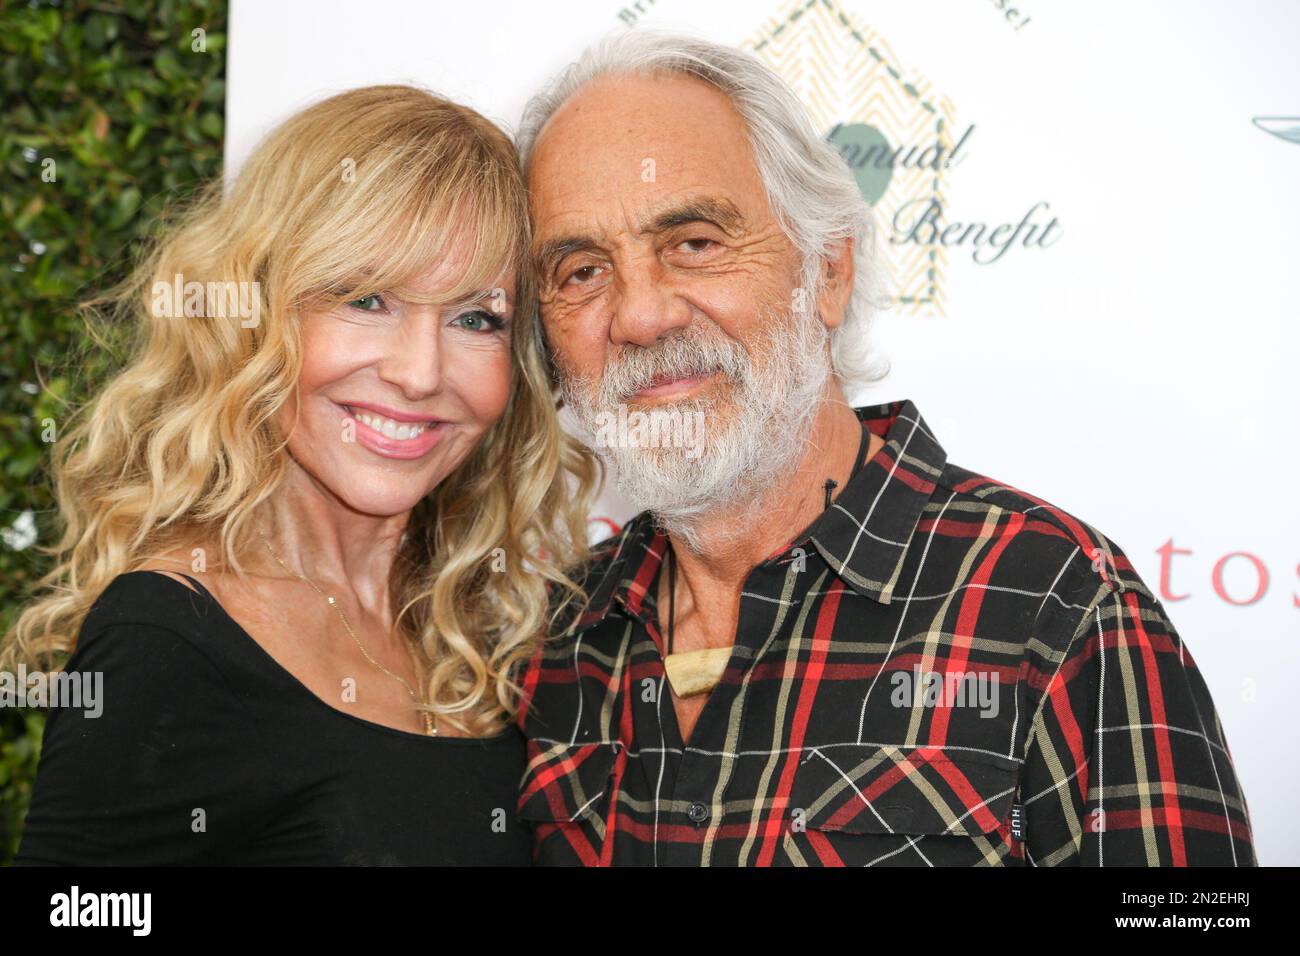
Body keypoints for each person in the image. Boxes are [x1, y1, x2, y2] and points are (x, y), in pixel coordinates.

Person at [512, 31, 1256, 866]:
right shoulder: (553, 643)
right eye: (580, 270)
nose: (640, 315)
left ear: (826, 274)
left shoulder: (1058, 605)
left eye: (694, 243)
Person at [6, 85, 598, 865]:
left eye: (475, 319)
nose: (420, 374)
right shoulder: (168, 642)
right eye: (366, 298)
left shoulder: (484, 627)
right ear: (254, 313)